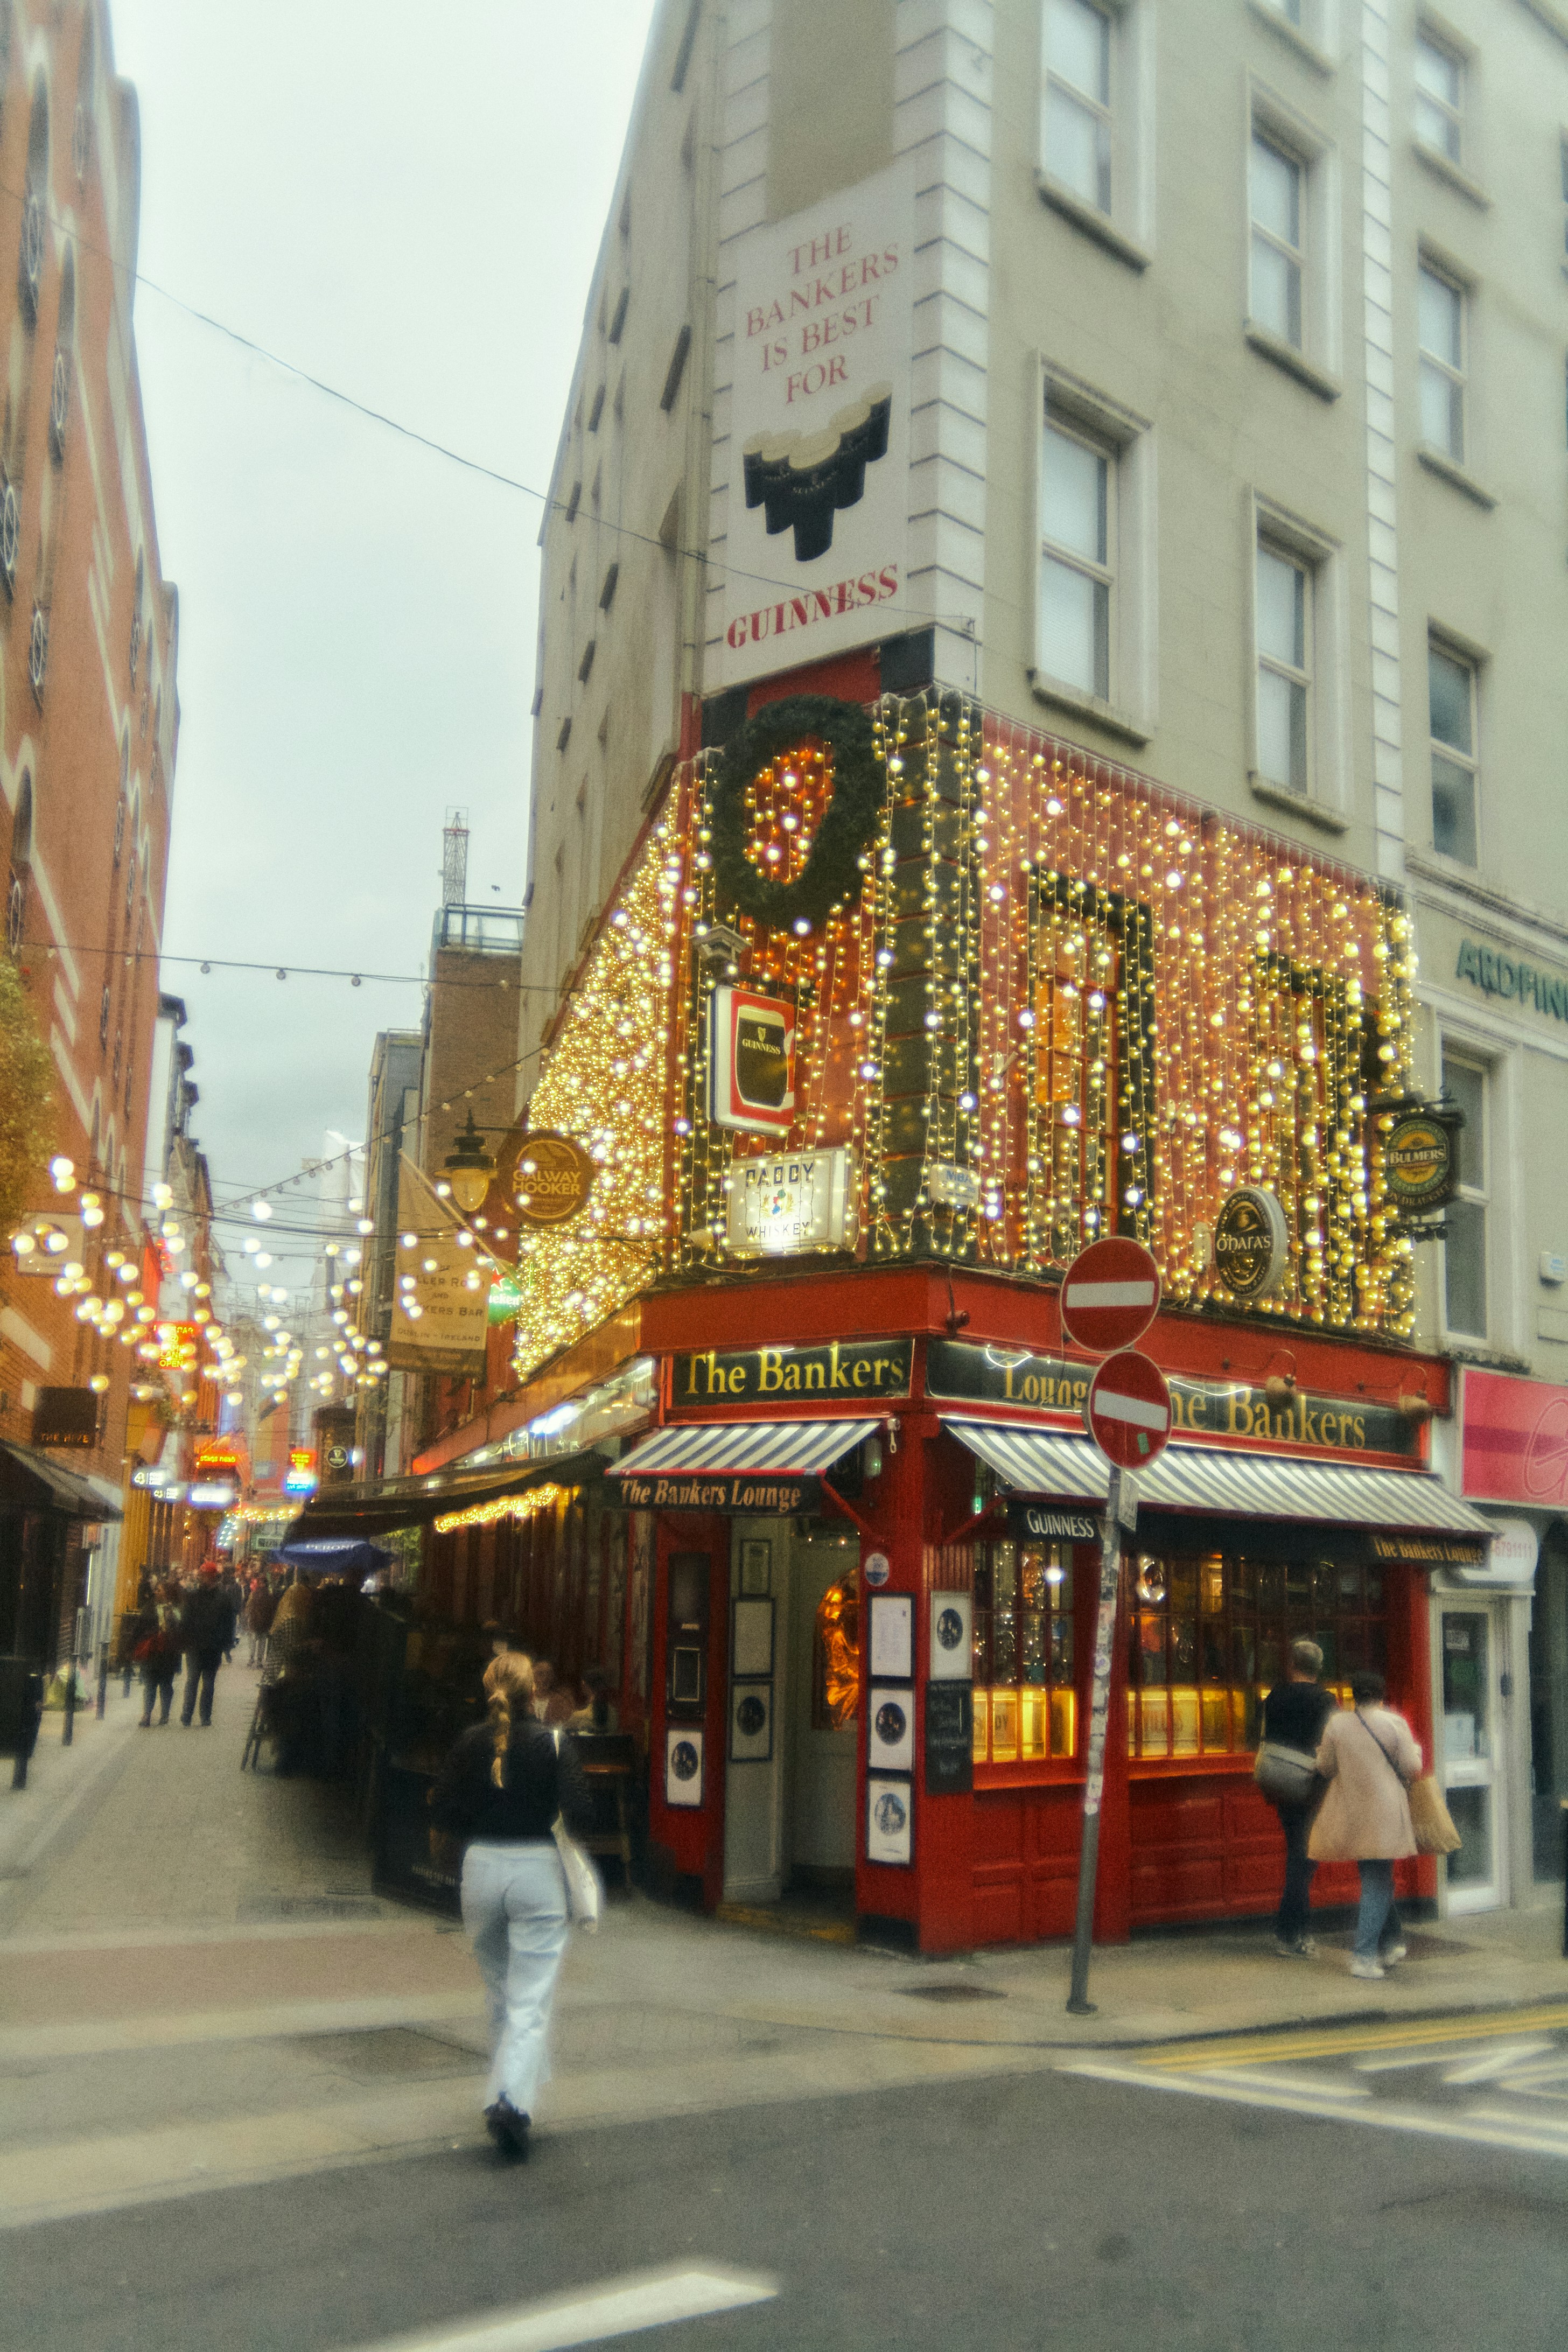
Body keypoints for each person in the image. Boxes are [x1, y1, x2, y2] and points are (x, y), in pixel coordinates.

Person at [428, 1651, 590, 2162]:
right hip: (537, 1871)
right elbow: (580, 1809)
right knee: (530, 1998)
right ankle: (512, 2103)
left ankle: (509, 2086)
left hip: (479, 1870)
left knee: (501, 1990)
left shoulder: (468, 1742)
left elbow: (445, 1813)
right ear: (532, 1694)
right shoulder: (552, 1742)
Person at [1310, 1668, 1421, 1979]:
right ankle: (1363, 1956)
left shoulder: (1338, 1724)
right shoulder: (1394, 1723)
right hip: (1385, 1811)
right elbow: (1412, 1768)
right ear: (1382, 1695)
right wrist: (1417, 1752)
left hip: (1352, 1810)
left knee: (1376, 1877)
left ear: (1353, 1695)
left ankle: (1390, 1943)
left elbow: (1326, 1767)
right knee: (1377, 1881)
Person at [1261, 1637, 1336, 1958]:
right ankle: (1295, 1933)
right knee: (1303, 1860)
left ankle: (1288, 1930)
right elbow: (1330, 1745)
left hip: (1280, 1781)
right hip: (1311, 1785)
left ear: (1291, 1665)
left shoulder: (1275, 1695)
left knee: (1299, 1855)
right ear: (1319, 1669)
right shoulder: (1325, 1701)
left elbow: (1263, 1733)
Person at [178, 1560, 238, 1727]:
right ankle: (187, 1715)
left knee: (209, 1683)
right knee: (192, 1681)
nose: (201, 1578)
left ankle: (205, 1716)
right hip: (195, 1646)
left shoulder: (223, 1599)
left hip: (213, 1647)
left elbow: (229, 1623)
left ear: (212, 1577)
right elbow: (186, 1620)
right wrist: (185, 1640)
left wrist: (226, 1644)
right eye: (201, 1575)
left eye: (204, 1576)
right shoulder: (193, 1597)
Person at [133, 1579, 182, 1727]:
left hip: (169, 1653)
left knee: (166, 1685)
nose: (156, 1592)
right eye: (157, 1590)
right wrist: (132, 1647)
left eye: (160, 1590)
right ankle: (147, 1715)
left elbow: (180, 1630)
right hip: (152, 1652)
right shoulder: (149, 1608)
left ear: (167, 1593)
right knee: (150, 1685)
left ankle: (165, 1714)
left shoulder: (176, 1610)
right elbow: (139, 1628)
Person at [244, 1576, 277, 1667]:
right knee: (260, 1642)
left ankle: (254, 1659)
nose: (261, 1585)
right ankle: (258, 1660)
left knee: (255, 1641)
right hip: (264, 1622)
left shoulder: (254, 1594)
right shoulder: (269, 1595)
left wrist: (248, 1616)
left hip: (257, 1621)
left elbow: (249, 1606)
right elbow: (273, 1609)